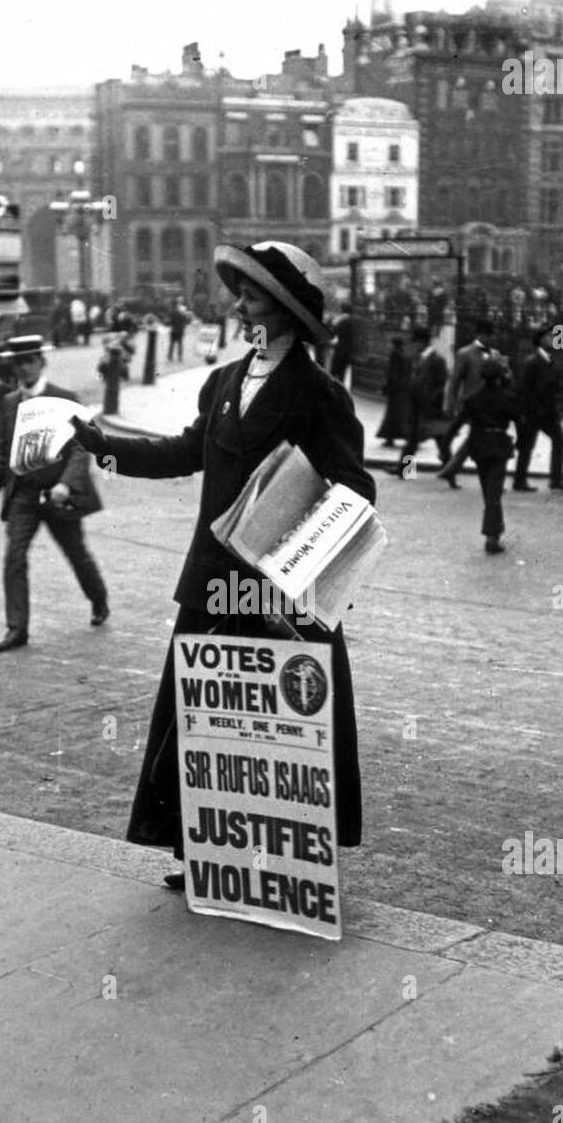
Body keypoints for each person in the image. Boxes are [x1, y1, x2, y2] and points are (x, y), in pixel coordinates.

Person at [68, 241, 375, 891]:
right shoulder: (227, 380)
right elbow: (185, 451)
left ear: (286, 311)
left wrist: (289, 526)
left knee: (276, 725)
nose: (240, 305)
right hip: (213, 584)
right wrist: (104, 446)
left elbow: (354, 493)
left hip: (279, 596)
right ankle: (203, 846)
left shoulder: (319, 395)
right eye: (241, 293)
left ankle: (280, 856)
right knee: (205, 716)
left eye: (253, 296)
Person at [0, 334, 109, 652]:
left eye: (29, 360)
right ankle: (16, 629)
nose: (24, 368)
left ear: (41, 361)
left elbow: (80, 448)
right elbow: (3, 450)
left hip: (57, 494)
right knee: (14, 558)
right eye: (18, 362)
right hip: (23, 494)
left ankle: (99, 600)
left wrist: (66, 483)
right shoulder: (10, 403)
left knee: (76, 553)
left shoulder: (63, 398)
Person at [436, 318, 505, 488]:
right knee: (455, 439)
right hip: (469, 405)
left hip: (489, 406)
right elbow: (454, 381)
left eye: (492, 335)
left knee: (473, 437)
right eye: (488, 335)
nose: (491, 338)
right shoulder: (464, 353)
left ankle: (450, 470)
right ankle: (450, 468)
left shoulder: (495, 354)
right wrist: (449, 406)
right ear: (479, 334)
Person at [463, 357, 518, 553]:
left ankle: (495, 530)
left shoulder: (472, 398)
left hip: (479, 447)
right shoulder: (507, 397)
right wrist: (521, 440)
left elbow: (459, 421)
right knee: (494, 492)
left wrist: (445, 443)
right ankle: (491, 536)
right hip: (498, 446)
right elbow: (520, 419)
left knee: (489, 491)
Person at [513, 325, 563, 492]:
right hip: (533, 412)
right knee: (527, 447)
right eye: (549, 336)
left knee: (559, 441)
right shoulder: (532, 361)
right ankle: (520, 481)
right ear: (540, 340)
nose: (553, 339)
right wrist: (527, 411)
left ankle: (556, 479)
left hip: (547, 412)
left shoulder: (549, 360)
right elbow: (524, 389)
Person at [395, 327, 449, 477]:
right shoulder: (420, 357)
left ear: (423, 342)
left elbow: (441, 383)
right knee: (413, 440)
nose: (415, 345)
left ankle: (449, 468)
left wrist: (433, 401)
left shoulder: (437, 359)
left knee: (440, 440)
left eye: (416, 342)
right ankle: (405, 470)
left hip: (429, 407)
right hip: (418, 406)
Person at [376, 335, 413, 447]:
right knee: (402, 414)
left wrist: (387, 387)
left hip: (396, 389)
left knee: (393, 415)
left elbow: (393, 374)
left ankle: (391, 438)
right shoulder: (406, 355)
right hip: (404, 389)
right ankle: (406, 437)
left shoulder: (395, 355)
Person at [329, 303, 354, 384]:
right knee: (342, 373)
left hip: (340, 349)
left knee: (333, 372)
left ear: (342, 310)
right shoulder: (353, 321)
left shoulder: (340, 321)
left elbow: (333, 333)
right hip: (349, 351)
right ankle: (340, 388)